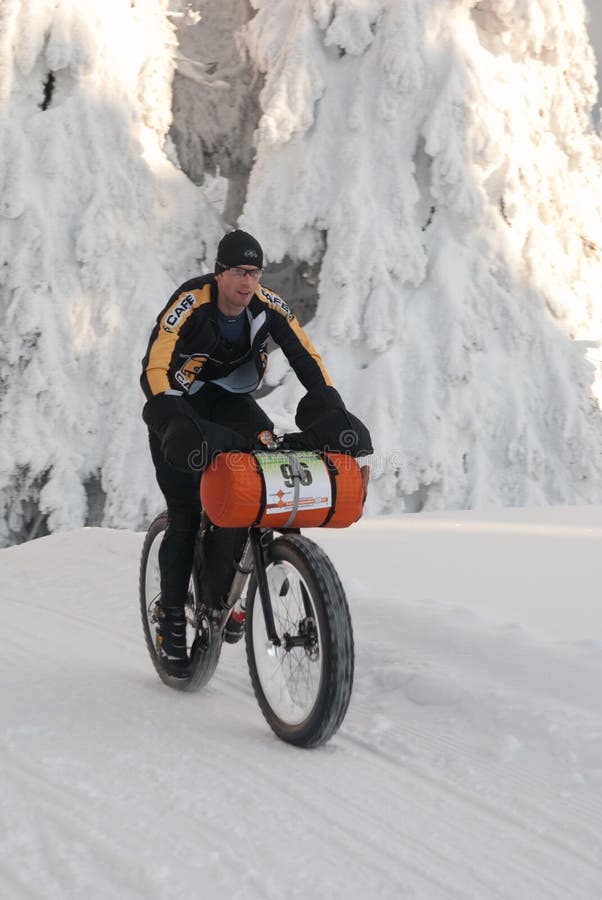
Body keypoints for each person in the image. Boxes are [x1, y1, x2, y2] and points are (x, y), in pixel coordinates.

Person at [141, 229, 372, 665]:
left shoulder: (267, 305)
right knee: (187, 512)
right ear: (220, 273)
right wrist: (169, 418)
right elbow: (155, 362)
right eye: (238, 272)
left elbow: (307, 359)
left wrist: (330, 410)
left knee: (266, 478)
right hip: (179, 405)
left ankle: (237, 588)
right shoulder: (191, 302)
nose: (247, 282)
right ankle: (170, 614)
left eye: (254, 272)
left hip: (230, 403)